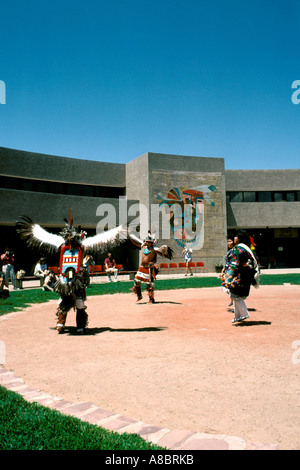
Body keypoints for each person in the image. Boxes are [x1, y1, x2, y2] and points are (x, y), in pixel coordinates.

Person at [16, 213, 127, 333]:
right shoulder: (61, 245)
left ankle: (80, 325)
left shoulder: (82, 246)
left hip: (77, 279)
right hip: (64, 279)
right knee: (63, 300)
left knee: (79, 303)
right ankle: (60, 323)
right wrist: (33, 228)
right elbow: (41, 234)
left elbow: (108, 237)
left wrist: (121, 230)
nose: (70, 240)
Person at [222, 230, 259, 324]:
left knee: (236, 295)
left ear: (240, 238)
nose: (234, 238)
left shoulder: (239, 249)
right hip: (244, 275)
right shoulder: (243, 248)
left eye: (236, 236)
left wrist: (228, 276)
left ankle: (244, 313)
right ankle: (237, 316)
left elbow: (234, 264)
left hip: (240, 275)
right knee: (234, 295)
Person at [129, 232, 173, 303]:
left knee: (149, 284)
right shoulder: (143, 247)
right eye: (146, 242)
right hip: (142, 267)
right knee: (136, 281)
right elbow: (136, 244)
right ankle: (139, 295)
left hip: (149, 268)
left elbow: (162, 253)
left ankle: (151, 298)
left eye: (148, 242)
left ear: (151, 243)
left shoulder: (154, 249)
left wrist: (165, 251)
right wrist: (130, 239)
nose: (146, 243)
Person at [221, 236, 235, 307]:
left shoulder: (235, 251)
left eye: (230, 241)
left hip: (233, 271)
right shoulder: (230, 251)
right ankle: (232, 299)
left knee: (231, 285)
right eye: (228, 241)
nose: (228, 243)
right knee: (228, 285)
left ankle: (234, 300)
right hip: (228, 270)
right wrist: (224, 268)